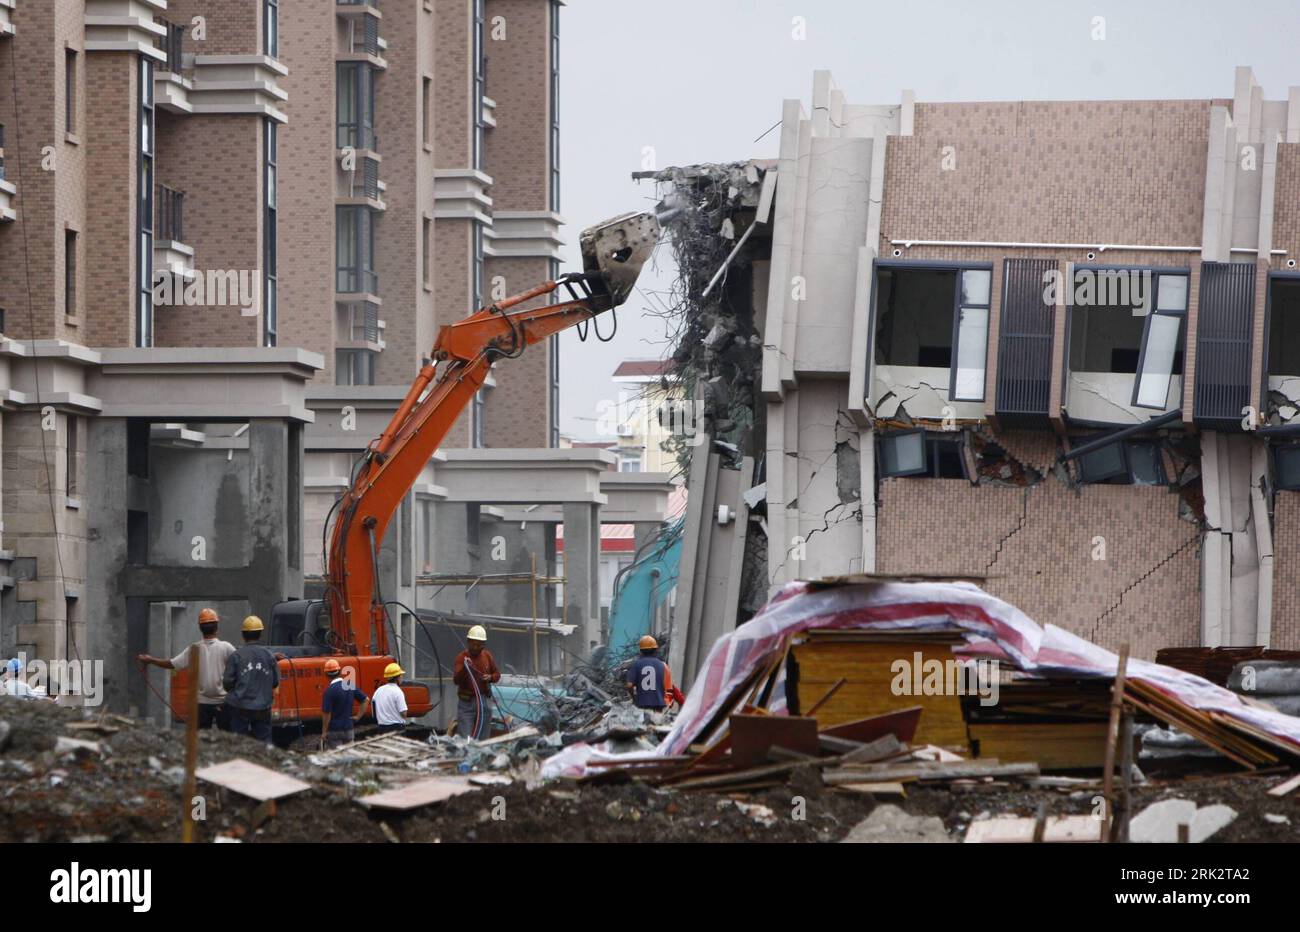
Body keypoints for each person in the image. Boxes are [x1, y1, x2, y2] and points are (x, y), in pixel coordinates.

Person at [135, 607, 234, 731]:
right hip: (223, 703)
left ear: (200, 627)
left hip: (201, 704)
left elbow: (172, 664)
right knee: (228, 740)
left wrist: (151, 660)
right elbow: (239, 666)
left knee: (201, 740)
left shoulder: (194, 649)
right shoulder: (227, 648)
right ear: (217, 626)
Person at [222, 615, 280, 743]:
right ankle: (264, 762)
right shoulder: (269, 656)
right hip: (263, 707)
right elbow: (275, 682)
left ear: (243, 634)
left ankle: (241, 761)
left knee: (238, 742)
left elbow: (227, 683)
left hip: (240, 706)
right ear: (260, 634)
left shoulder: (236, 656)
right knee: (264, 741)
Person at [452, 626, 499, 739]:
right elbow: (456, 680)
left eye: (480, 644)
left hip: (484, 701)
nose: (477, 647)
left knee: (483, 738)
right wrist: (465, 667)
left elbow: (497, 674)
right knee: (465, 739)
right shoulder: (461, 658)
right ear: (468, 642)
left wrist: (490, 677)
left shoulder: (487, 656)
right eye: (474, 644)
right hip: (467, 703)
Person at [319, 658, 370, 749]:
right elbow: (365, 700)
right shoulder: (349, 685)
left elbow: (327, 713)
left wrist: (324, 732)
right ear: (339, 671)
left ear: (326, 674)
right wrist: (358, 716)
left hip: (334, 731)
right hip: (348, 728)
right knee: (350, 756)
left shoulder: (329, 691)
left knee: (337, 758)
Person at [624, 635, 681, 713]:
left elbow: (629, 685)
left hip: (642, 704)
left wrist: (634, 697)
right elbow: (669, 688)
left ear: (641, 650)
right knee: (657, 723)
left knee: (642, 723)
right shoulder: (663, 666)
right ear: (655, 650)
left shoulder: (636, 665)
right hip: (658, 704)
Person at [372, 662, 410, 735]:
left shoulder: (378, 691)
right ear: (397, 677)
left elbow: (374, 712)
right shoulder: (398, 691)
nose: (402, 677)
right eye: (401, 675)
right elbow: (403, 713)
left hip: (381, 728)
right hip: (396, 728)